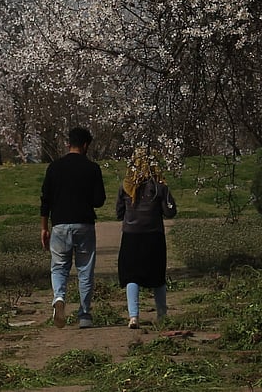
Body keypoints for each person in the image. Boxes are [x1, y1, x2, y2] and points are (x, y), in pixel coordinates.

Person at [40, 126, 106, 329]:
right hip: (84, 224)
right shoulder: (92, 168)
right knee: (85, 270)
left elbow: (45, 200)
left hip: (59, 224)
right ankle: (84, 315)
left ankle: (59, 298)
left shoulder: (54, 168)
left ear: (68, 144)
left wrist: (44, 227)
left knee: (59, 267)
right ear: (85, 145)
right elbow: (99, 200)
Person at [116, 147, 177, 329]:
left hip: (131, 236)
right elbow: (170, 212)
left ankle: (133, 316)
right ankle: (162, 314)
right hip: (154, 236)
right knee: (157, 276)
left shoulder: (125, 187)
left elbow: (119, 213)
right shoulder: (159, 187)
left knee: (131, 276)